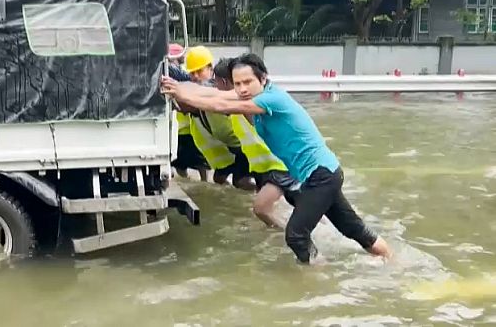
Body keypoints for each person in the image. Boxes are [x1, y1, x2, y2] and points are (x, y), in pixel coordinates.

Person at [160, 53, 392, 264]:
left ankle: (320, 274)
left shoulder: (270, 99)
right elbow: (214, 93)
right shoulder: (253, 94)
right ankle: (392, 260)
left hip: (321, 175)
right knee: (353, 229)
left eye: (247, 82)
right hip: (320, 174)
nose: (242, 88)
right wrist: (179, 86)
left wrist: (181, 93)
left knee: (295, 235)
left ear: (263, 79)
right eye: (237, 83)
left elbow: (220, 104)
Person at [211, 58, 296, 229]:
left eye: (216, 82)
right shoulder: (237, 105)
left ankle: (287, 234)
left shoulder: (252, 104)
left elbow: (216, 101)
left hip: (277, 164)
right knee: (290, 204)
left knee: (261, 209)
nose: (215, 87)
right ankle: (304, 228)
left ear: (224, 81)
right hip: (261, 167)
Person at [178, 47, 253, 189]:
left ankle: (259, 195)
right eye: (192, 73)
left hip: (243, 146)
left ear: (210, 69)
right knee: (219, 178)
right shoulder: (197, 90)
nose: (195, 76)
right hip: (229, 147)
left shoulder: (217, 89)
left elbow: (204, 91)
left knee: (241, 182)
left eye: (199, 71)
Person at [167, 44, 209, 181]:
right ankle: (194, 182)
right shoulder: (176, 74)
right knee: (184, 164)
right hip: (183, 131)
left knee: (197, 162)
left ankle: (198, 181)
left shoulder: (182, 76)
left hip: (187, 131)